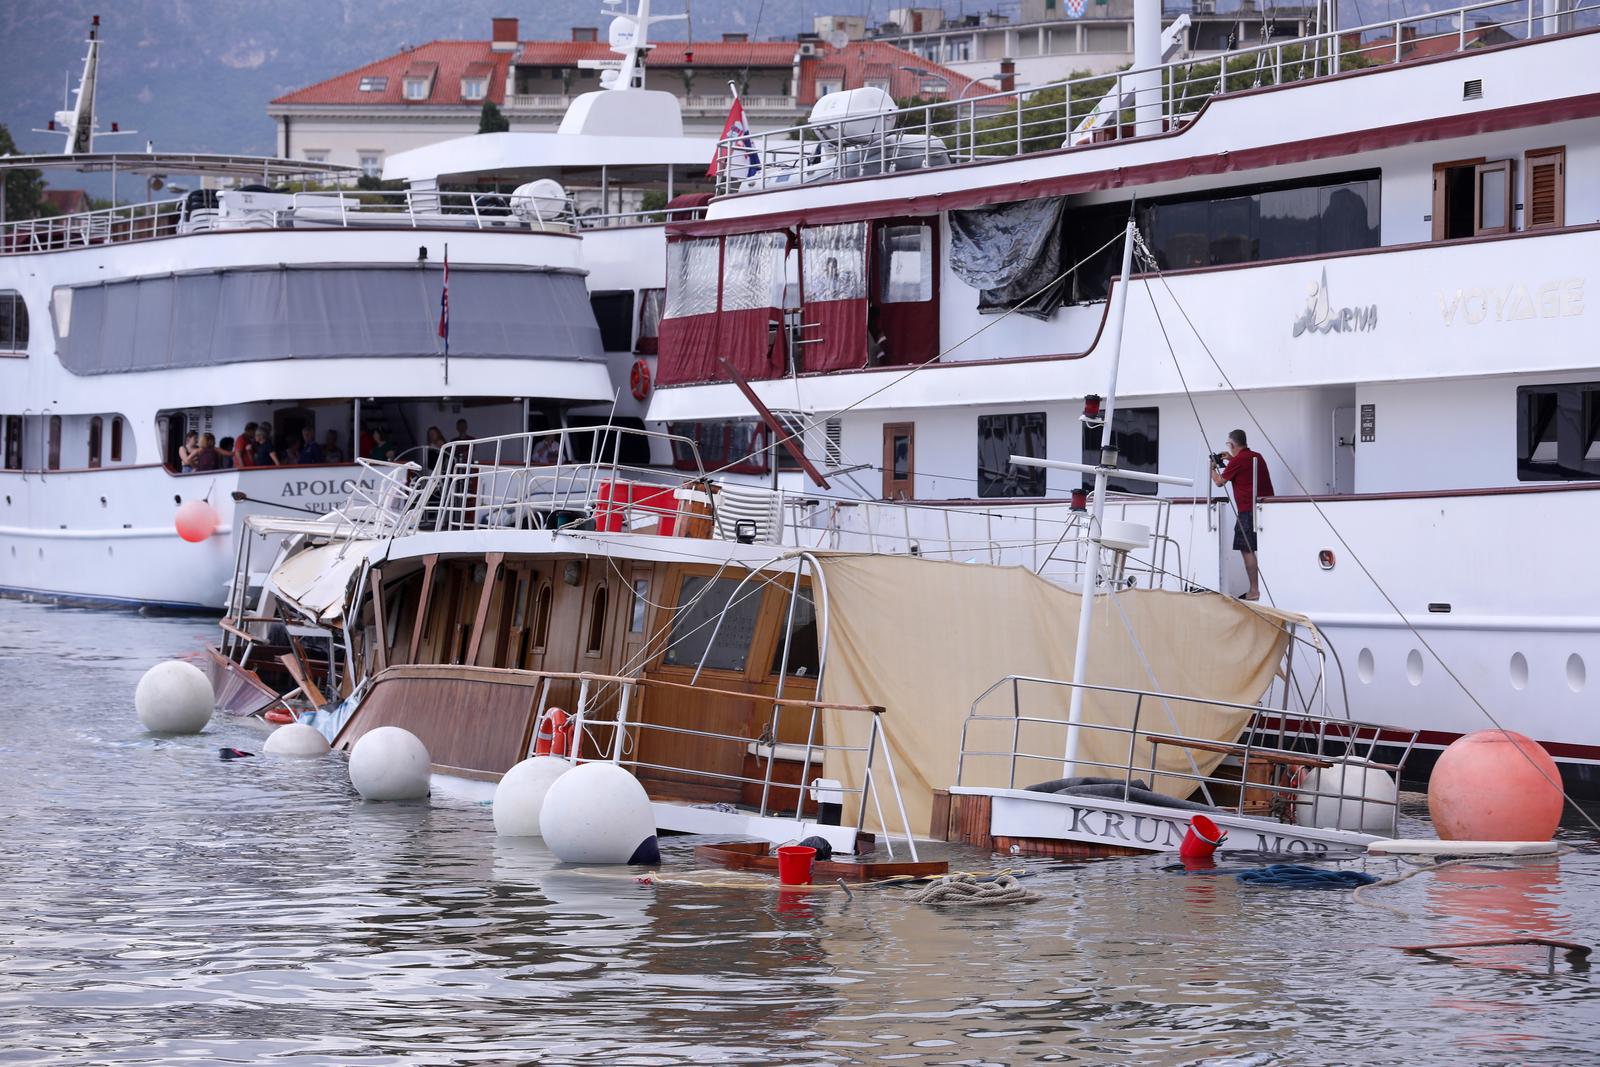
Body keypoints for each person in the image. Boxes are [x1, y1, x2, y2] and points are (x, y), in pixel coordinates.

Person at [1211, 428, 1275, 602]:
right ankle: (1267, 588)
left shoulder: (1238, 461)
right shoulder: (1257, 456)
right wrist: (1231, 460)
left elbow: (1219, 482)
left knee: (1247, 549)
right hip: (1265, 509)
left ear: (1231, 444)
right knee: (1261, 548)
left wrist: (1212, 468)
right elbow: (1245, 468)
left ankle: (1254, 591)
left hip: (1247, 512)